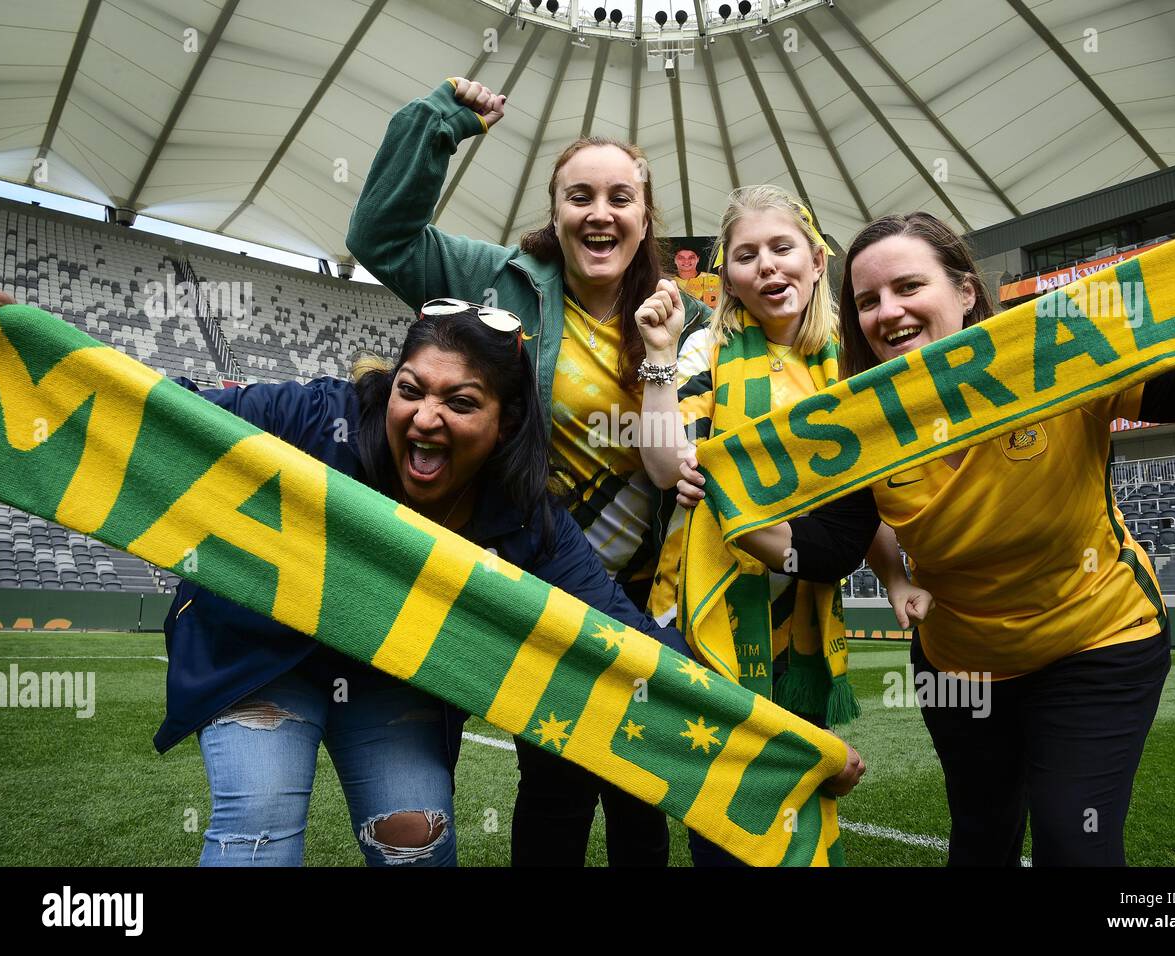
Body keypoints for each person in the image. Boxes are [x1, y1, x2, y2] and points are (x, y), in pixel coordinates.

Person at [683, 198, 1175, 866]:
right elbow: (828, 549)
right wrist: (732, 509)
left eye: (909, 287)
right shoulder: (866, 420)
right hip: (961, 668)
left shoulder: (1057, 352)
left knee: (1074, 840)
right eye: (867, 300)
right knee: (980, 837)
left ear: (967, 291)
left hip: (1096, 641)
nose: (887, 312)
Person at [154, 300, 693, 867]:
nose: (425, 418)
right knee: (257, 824)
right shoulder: (318, 417)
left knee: (416, 839)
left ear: (506, 422)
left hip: (385, 672)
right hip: (260, 652)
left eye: (460, 402)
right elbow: (163, 412)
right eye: (410, 390)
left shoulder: (525, 514)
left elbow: (622, 632)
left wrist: (738, 700)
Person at [345, 77, 711, 866]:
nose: (600, 213)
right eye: (579, 196)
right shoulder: (496, 283)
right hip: (538, 580)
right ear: (556, 213)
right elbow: (382, 240)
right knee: (554, 777)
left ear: (646, 218)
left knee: (642, 785)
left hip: (652, 586)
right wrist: (437, 121)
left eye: (621, 197)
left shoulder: (690, 318)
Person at [633, 184, 867, 866]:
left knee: (798, 801)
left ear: (817, 260)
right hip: (707, 611)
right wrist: (657, 355)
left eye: (781, 248)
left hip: (801, 620)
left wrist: (894, 575)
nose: (766, 265)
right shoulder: (705, 350)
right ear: (727, 275)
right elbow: (660, 464)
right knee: (723, 810)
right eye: (746, 255)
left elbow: (869, 494)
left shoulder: (848, 364)